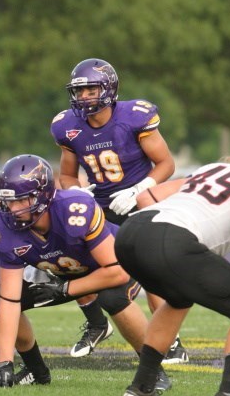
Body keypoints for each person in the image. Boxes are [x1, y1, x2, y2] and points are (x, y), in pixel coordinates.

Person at [0, 154, 170, 391]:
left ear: (42, 195)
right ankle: (36, 370)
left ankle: (152, 371)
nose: (14, 209)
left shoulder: (73, 210)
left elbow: (116, 272)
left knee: (112, 298)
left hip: (119, 261)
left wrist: (65, 289)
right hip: (66, 274)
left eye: (22, 200)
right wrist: (4, 363)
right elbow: (10, 298)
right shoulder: (2, 229)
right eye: (9, 201)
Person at [50, 57, 187, 364]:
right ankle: (97, 324)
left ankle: (172, 341)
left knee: (149, 269)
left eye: (91, 90)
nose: (84, 97)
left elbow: (166, 164)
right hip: (100, 205)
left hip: (141, 201)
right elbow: (68, 175)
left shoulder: (134, 117)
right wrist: (75, 192)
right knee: (70, 257)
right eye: (79, 91)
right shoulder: (67, 127)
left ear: (109, 89)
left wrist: (139, 189)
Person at [116, 142, 230, 396]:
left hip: (132, 232)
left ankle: (141, 387)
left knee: (178, 299)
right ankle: (229, 395)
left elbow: (148, 197)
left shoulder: (215, 168)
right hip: (172, 238)